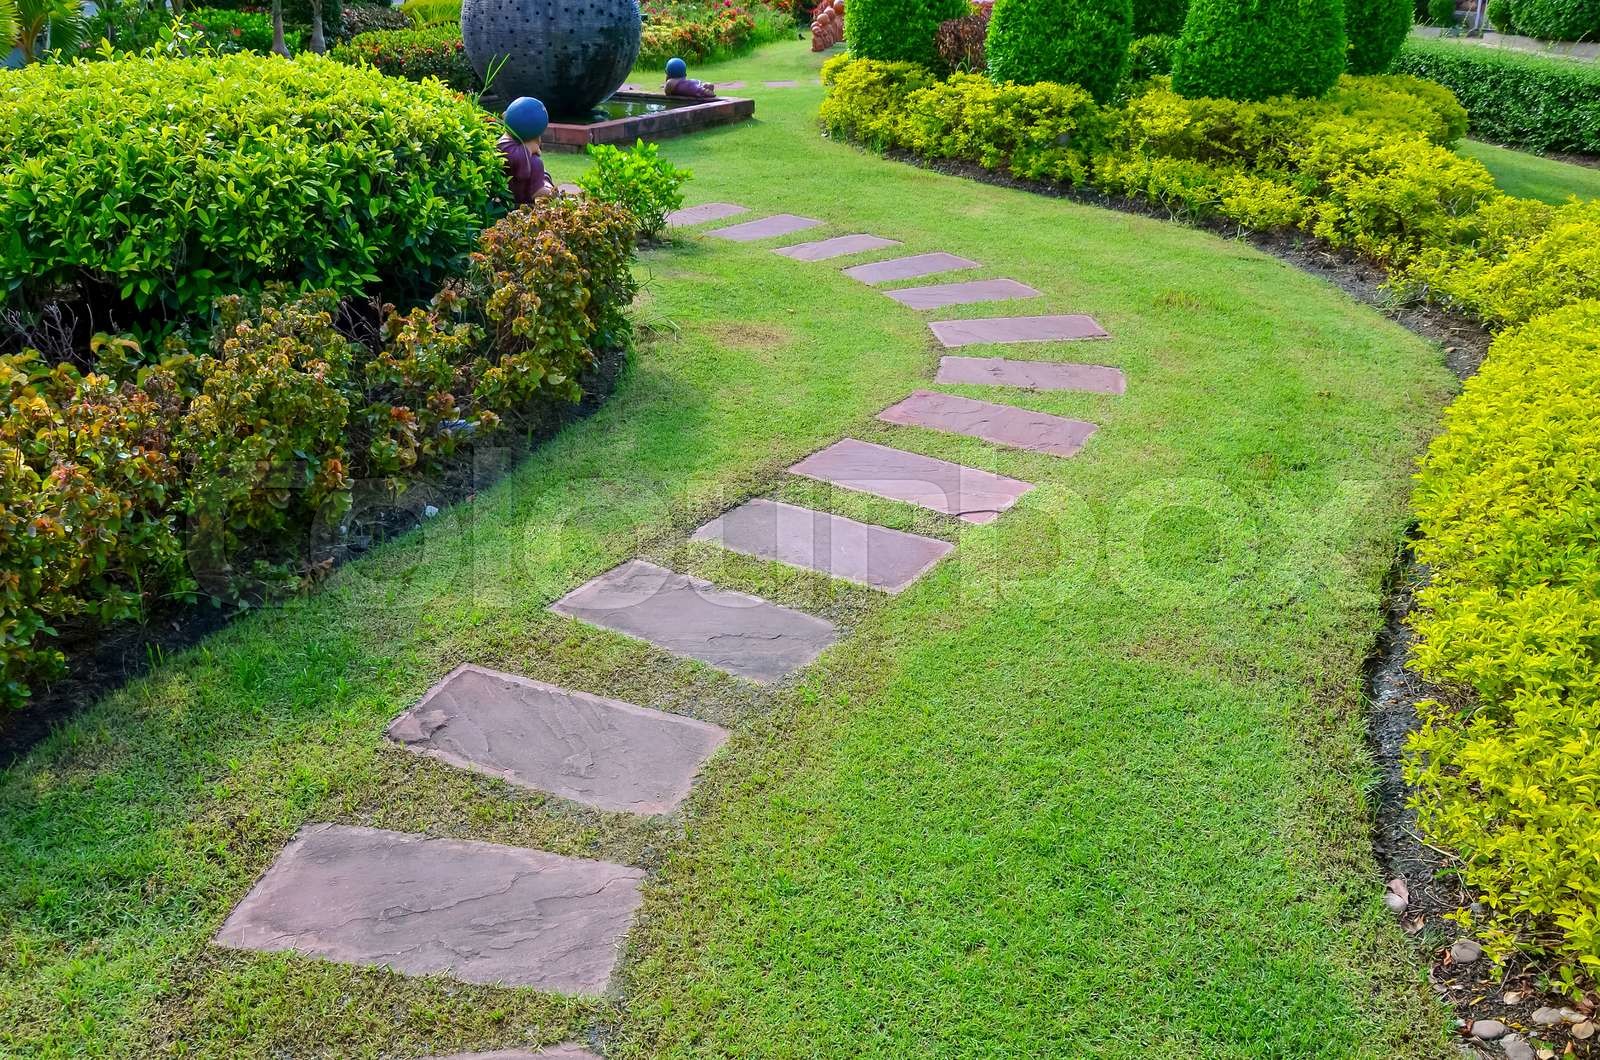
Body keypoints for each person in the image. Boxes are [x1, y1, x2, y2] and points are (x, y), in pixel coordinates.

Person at [497, 96, 557, 206]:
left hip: (534, 178)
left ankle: (544, 185)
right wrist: (528, 148)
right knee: (536, 162)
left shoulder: (521, 139)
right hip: (519, 188)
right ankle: (536, 192)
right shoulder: (504, 143)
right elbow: (514, 160)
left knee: (539, 164)